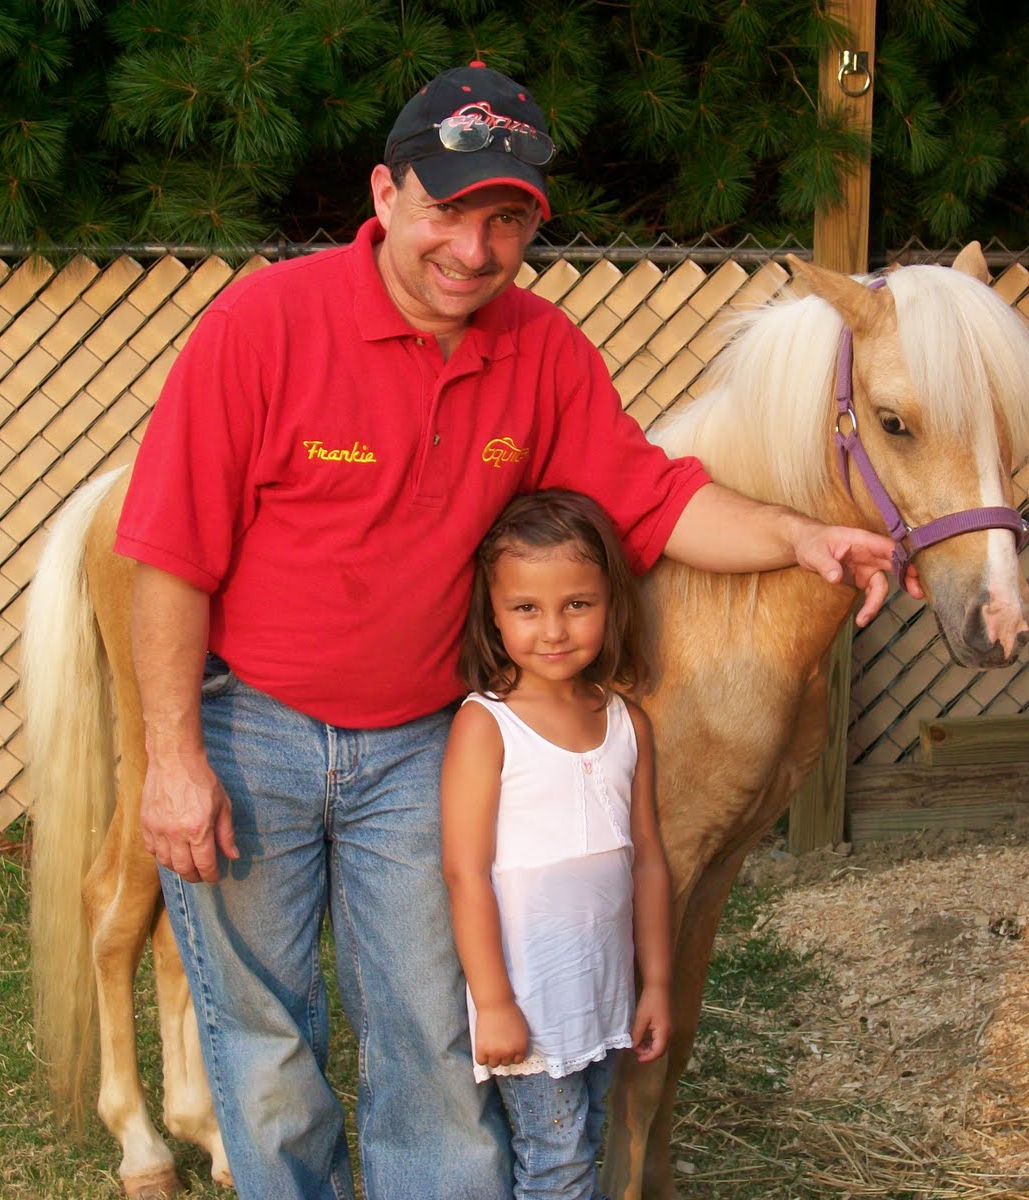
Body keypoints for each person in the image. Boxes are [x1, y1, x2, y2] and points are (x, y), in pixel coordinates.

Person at [116, 59, 909, 1200]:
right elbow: (168, 558)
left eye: (505, 223)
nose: (473, 252)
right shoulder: (262, 327)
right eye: (447, 211)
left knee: (435, 1044)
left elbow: (653, 498)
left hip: (419, 751)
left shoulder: (538, 349)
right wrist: (175, 759)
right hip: (253, 732)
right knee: (270, 1049)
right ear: (385, 195)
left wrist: (801, 538)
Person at [442, 489, 671, 1200]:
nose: (554, 630)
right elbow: (465, 874)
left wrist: (657, 982)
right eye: (526, 609)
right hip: (531, 1002)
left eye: (578, 604)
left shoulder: (628, 721)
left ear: (612, 603)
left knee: (586, 1138)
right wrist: (496, 1001)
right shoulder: (486, 725)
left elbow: (650, 859)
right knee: (556, 1159)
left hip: (602, 998)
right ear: (494, 611)